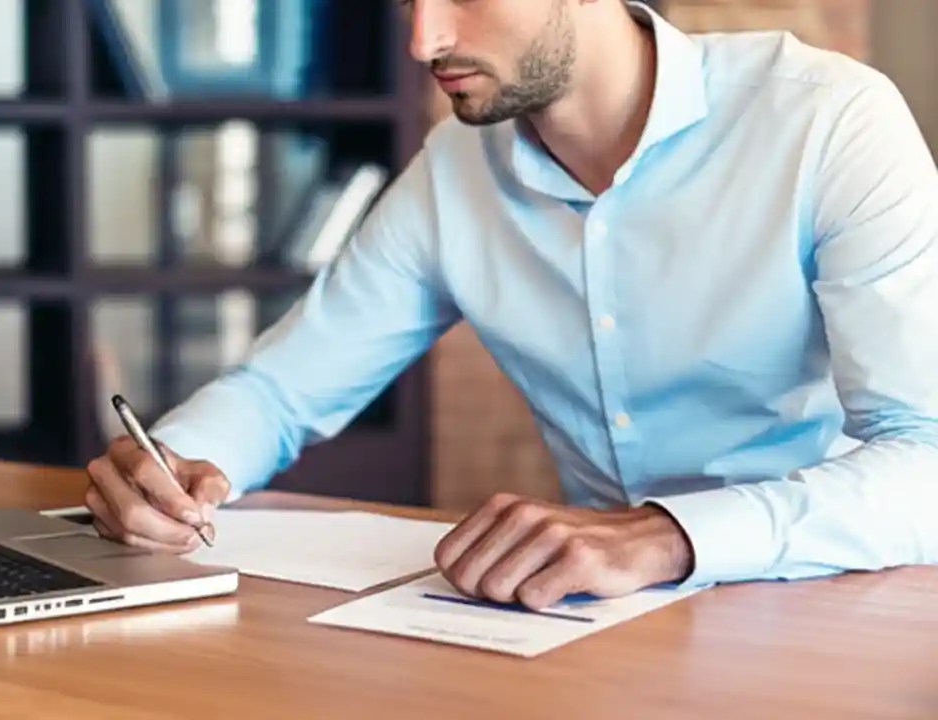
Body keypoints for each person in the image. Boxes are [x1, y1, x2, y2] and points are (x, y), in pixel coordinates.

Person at [83, 0, 938, 609]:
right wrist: (172, 468)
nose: (424, 38)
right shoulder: (456, 173)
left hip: (849, 601)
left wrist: (669, 535)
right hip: (589, 622)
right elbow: (280, 390)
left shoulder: (828, 122)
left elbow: (927, 465)